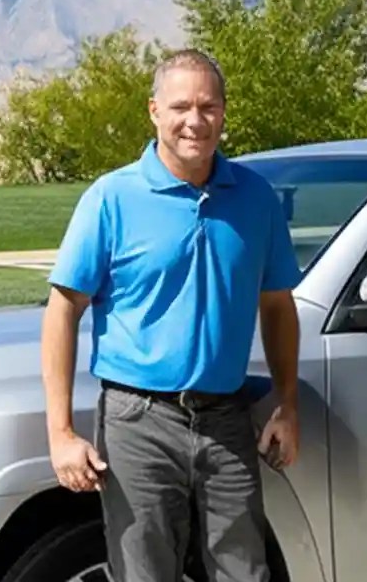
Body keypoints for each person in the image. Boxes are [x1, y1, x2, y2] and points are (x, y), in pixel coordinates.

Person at [40, 48, 303, 582]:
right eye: (181, 105)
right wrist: (61, 431)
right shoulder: (111, 198)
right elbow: (63, 310)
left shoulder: (255, 198)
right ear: (154, 110)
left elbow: (277, 304)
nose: (195, 121)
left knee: (245, 570)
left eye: (209, 107)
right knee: (144, 573)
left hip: (227, 419)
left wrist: (288, 404)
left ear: (224, 113)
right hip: (138, 421)